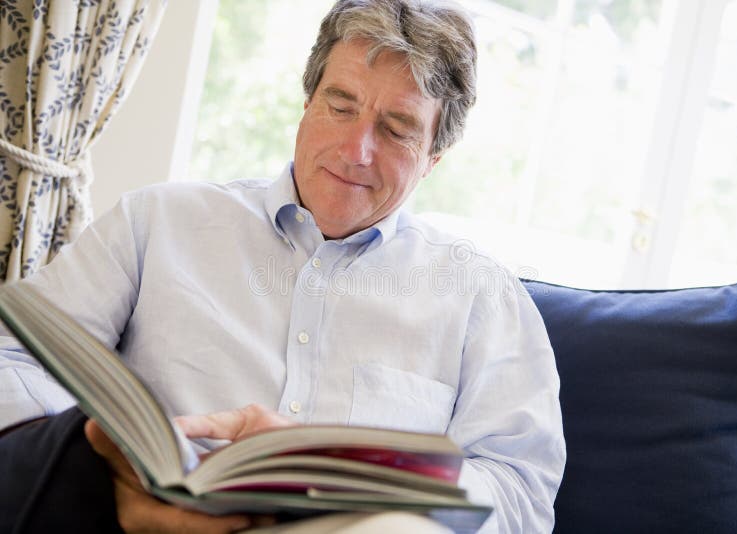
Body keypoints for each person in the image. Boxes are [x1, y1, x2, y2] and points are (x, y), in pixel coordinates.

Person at [0, 0, 566, 532]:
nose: (355, 151)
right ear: (306, 103)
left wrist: (336, 466)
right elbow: (12, 356)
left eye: (396, 130)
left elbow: (521, 499)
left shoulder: (485, 299)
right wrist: (100, 472)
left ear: (433, 159)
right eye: (340, 106)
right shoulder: (157, 222)